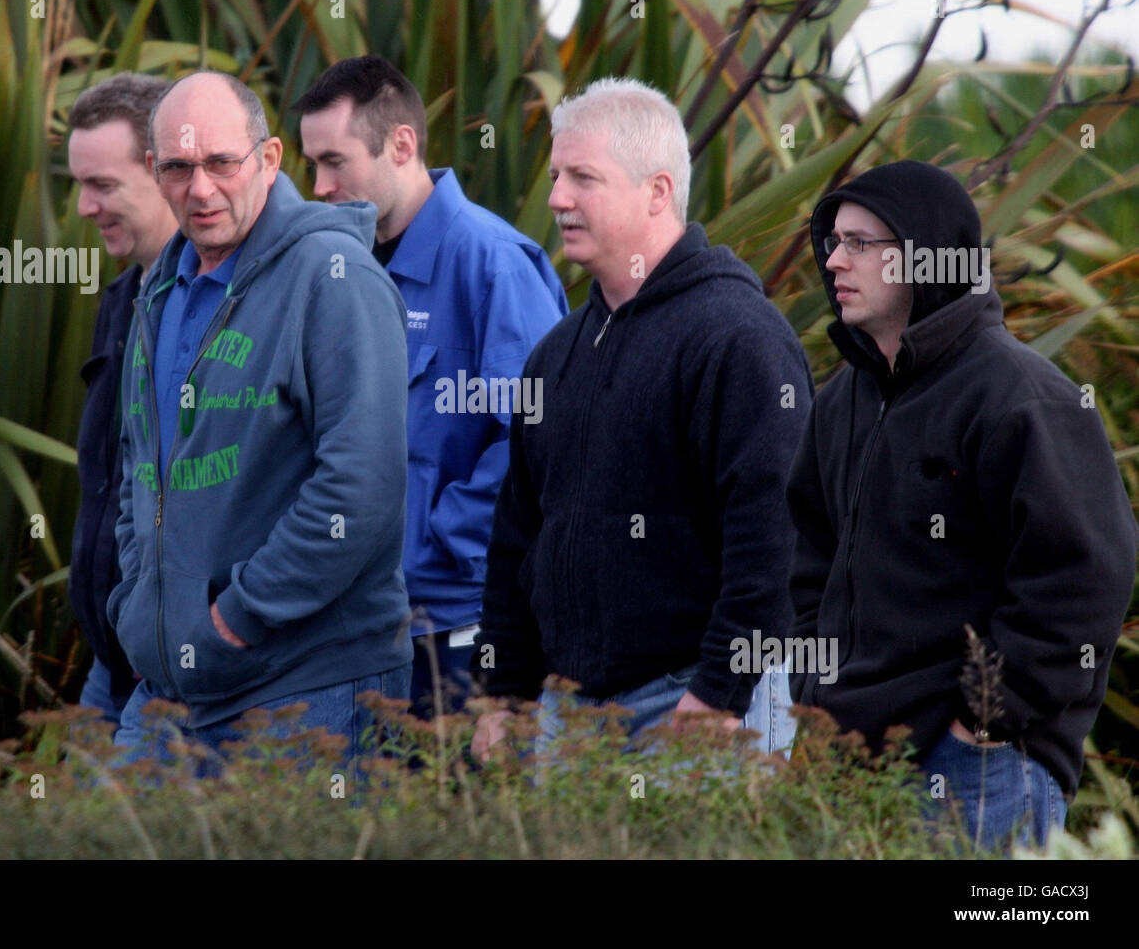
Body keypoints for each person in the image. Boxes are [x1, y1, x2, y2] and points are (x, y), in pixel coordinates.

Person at [787, 159, 1138, 848]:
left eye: (861, 242)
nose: (835, 259)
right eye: (833, 240)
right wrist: (809, 691)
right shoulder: (838, 405)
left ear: (927, 252)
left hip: (983, 767)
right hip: (849, 770)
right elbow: (805, 564)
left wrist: (984, 720)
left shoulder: (1019, 395)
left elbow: (1084, 578)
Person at [470, 78, 812, 761]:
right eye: (558, 175)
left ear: (658, 192)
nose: (558, 197)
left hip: (696, 708)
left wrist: (718, 694)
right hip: (568, 719)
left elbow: (773, 536)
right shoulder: (557, 353)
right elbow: (517, 537)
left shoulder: (738, 339)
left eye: (583, 178)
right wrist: (504, 695)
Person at [106, 71, 412, 765]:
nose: (202, 189)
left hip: (303, 690)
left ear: (270, 159)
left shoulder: (333, 278)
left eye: (221, 162)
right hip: (168, 691)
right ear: (155, 172)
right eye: (179, 168)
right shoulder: (161, 286)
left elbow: (360, 491)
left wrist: (237, 618)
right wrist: (138, 605)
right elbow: (139, 468)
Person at [293, 56, 568, 719]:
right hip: (356, 627)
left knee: (451, 816)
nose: (319, 186)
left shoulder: (490, 262)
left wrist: (439, 543)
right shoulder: (338, 267)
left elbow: (536, 436)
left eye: (335, 162)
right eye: (311, 166)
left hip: (456, 629)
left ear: (402, 144)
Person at [67, 73, 178, 726]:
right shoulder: (119, 302)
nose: (84, 206)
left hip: (177, 673)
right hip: (109, 667)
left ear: (160, 169)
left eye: (102, 185)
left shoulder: (234, 308)